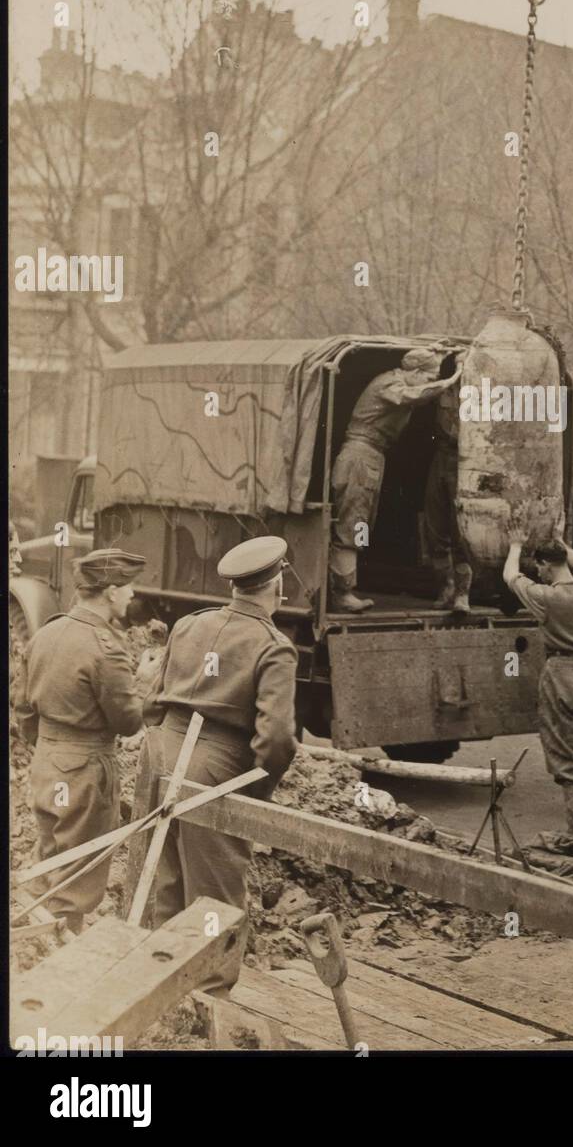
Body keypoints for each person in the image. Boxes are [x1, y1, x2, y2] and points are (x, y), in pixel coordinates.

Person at [142, 536, 298, 992]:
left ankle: (158, 991)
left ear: (235, 586)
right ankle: (208, 1002)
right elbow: (277, 740)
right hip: (217, 771)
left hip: (163, 758)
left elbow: (152, 702)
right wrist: (253, 793)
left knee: (167, 882)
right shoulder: (274, 646)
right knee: (215, 896)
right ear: (277, 583)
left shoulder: (190, 625)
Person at [16, 549, 147, 935]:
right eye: (127, 588)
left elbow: (23, 708)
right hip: (85, 769)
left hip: (48, 762)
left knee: (51, 850)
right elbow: (129, 722)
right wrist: (143, 679)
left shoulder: (46, 633)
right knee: (78, 866)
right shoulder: (106, 647)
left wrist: (50, 747)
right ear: (109, 591)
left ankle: (34, 936)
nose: (131, 596)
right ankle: (60, 950)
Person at [329, 351, 462, 611]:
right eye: (428, 377)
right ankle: (342, 592)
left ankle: (345, 588)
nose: (429, 382)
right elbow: (412, 395)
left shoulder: (396, 381)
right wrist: (449, 380)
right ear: (414, 373)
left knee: (362, 524)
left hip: (372, 456)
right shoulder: (389, 384)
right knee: (353, 524)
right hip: (360, 457)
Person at [502, 536, 573, 849]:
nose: (539, 573)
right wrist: (563, 543)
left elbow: (509, 576)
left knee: (568, 765)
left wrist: (516, 546)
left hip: (560, 672)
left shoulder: (546, 597)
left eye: (540, 567)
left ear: (546, 565)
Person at [424, 382, 472, 614]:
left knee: (461, 531)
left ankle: (462, 594)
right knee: (434, 526)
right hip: (441, 456)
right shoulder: (442, 390)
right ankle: (446, 588)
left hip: (465, 460)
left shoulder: (481, 392)